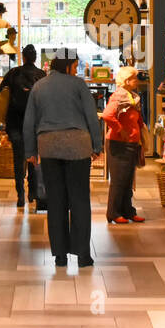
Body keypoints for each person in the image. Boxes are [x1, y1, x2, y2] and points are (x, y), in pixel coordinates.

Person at [23, 51, 103, 270]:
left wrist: (30, 150)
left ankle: (60, 256)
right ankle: (83, 255)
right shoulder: (78, 85)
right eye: (75, 65)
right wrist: (97, 145)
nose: (76, 69)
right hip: (78, 146)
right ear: (68, 65)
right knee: (79, 200)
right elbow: (91, 117)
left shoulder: (39, 86)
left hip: (48, 147)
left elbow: (29, 120)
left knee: (56, 201)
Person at [0, 44, 46, 207]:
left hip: (15, 122)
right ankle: (32, 192)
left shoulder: (13, 73)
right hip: (35, 123)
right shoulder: (41, 75)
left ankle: (20, 195)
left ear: (23, 57)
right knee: (32, 157)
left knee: (18, 158)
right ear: (35, 58)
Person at [101, 66, 146, 224]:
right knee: (119, 180)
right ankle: (113, 212)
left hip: (130, 143)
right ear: (127, 81)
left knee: (127, 179)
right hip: (119, 143)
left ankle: (127, 211)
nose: (137, 81)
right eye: (134, 78)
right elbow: (107, 115)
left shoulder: (131, 96)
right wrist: (121, 130)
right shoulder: (119, 96)